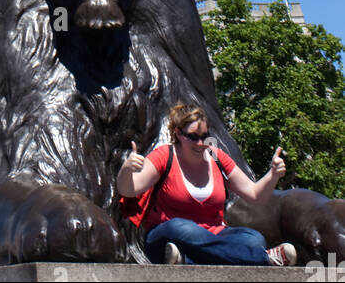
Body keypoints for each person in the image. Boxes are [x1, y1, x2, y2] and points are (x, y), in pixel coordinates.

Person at [117, 102, 296, 266]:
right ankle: (263, 258)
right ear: (178, 134)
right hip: (166, 235)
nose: (201, 143)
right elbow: (129, 189)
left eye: (205, 136)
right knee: (183, 228)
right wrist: (126, 169)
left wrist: (272, 175)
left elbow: (256, 194)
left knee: (253, 239)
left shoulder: (216, 156)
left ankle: (185, 260)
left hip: (213, 234)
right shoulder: (165, 155)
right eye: (194, 137)